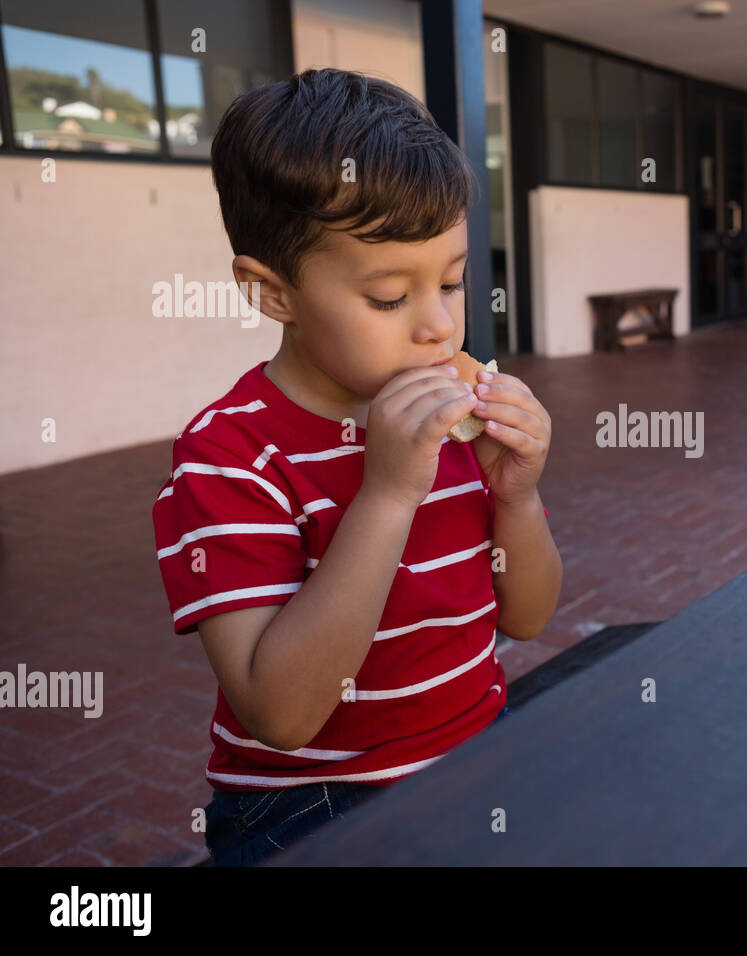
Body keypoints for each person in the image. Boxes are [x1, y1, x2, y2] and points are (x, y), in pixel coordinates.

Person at [151, 68, 562, 866]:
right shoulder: (228, 458)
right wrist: (387, 494)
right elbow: (281, 712)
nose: (439, 327)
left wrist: (517, 497)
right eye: (387, 298)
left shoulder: (447, 421)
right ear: (274, 294)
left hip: (478, 751)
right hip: (311, 803)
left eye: (450, 280)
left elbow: (529, 619)